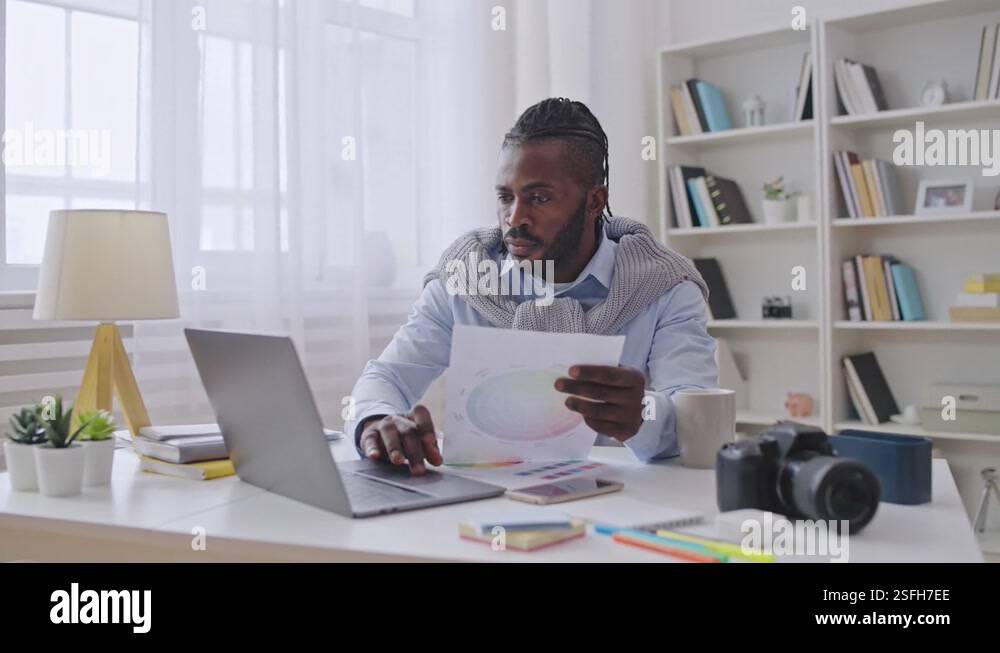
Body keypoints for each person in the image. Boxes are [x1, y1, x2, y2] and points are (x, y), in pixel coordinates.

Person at [347, 97, 717, 475]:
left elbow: (701, 422)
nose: (515, 218)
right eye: (506, 197)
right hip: (484, 502)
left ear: (595, 200)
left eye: (539, 198)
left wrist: (645, 415)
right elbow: (387, 377)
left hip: (627, 504)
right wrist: (376, 422)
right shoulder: (466, 278)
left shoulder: (665, 286)